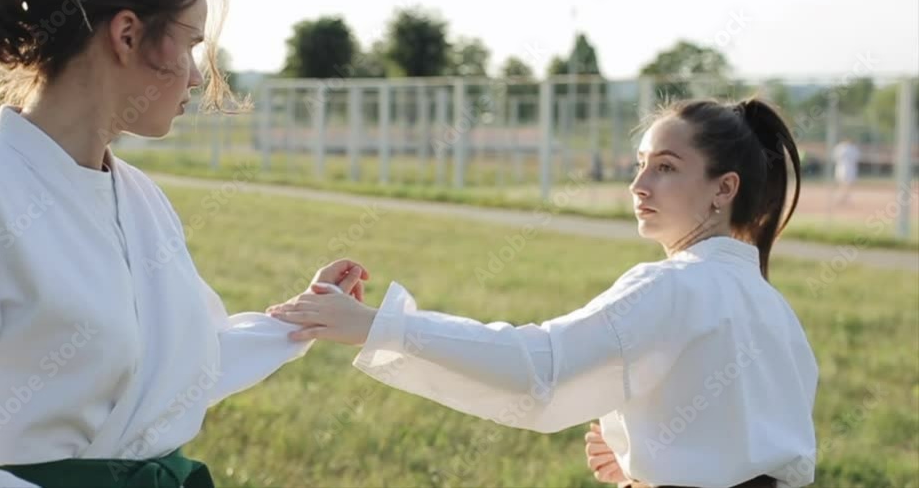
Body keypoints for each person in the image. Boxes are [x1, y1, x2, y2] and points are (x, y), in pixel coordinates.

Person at [0, 0, 367, 486]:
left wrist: (299, 318)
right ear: (128, 35)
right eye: (191, 45)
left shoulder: (141, 199)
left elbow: (184, 368)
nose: (199, 76)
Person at [270, 98, 819, 488]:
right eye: (640, 166)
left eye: (666, 168)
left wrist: (375, 326)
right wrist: (646, 459)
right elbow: (754, 449)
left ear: (724, 189)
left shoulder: (674, 284)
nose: (639, 185)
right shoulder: (774, 308)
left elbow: (537, 364)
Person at [831, 138, 861, 207]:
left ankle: (844, 197)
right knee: (844, 184)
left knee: (847, 184)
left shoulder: (851, 148)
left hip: (848, 168)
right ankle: (843, 197)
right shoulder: (843, 148)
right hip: (844, 168)